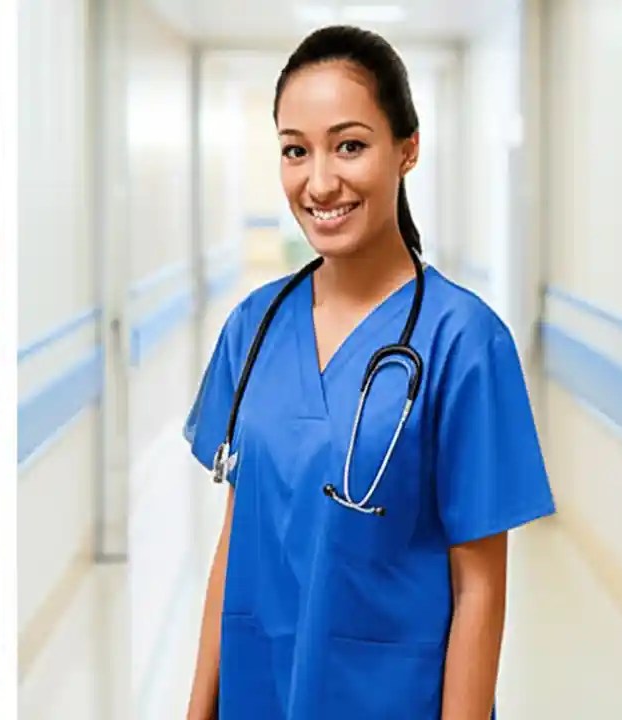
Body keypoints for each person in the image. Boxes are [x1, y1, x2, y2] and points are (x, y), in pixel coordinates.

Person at [182, 26, 555, 719]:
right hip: (261, 693)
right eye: (296, 150)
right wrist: (197, 709)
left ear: (406, 149)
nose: (320, 181)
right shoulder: (253, 329)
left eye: (349, 145)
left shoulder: (464, 341)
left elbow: (481, 588)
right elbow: (236, 541)